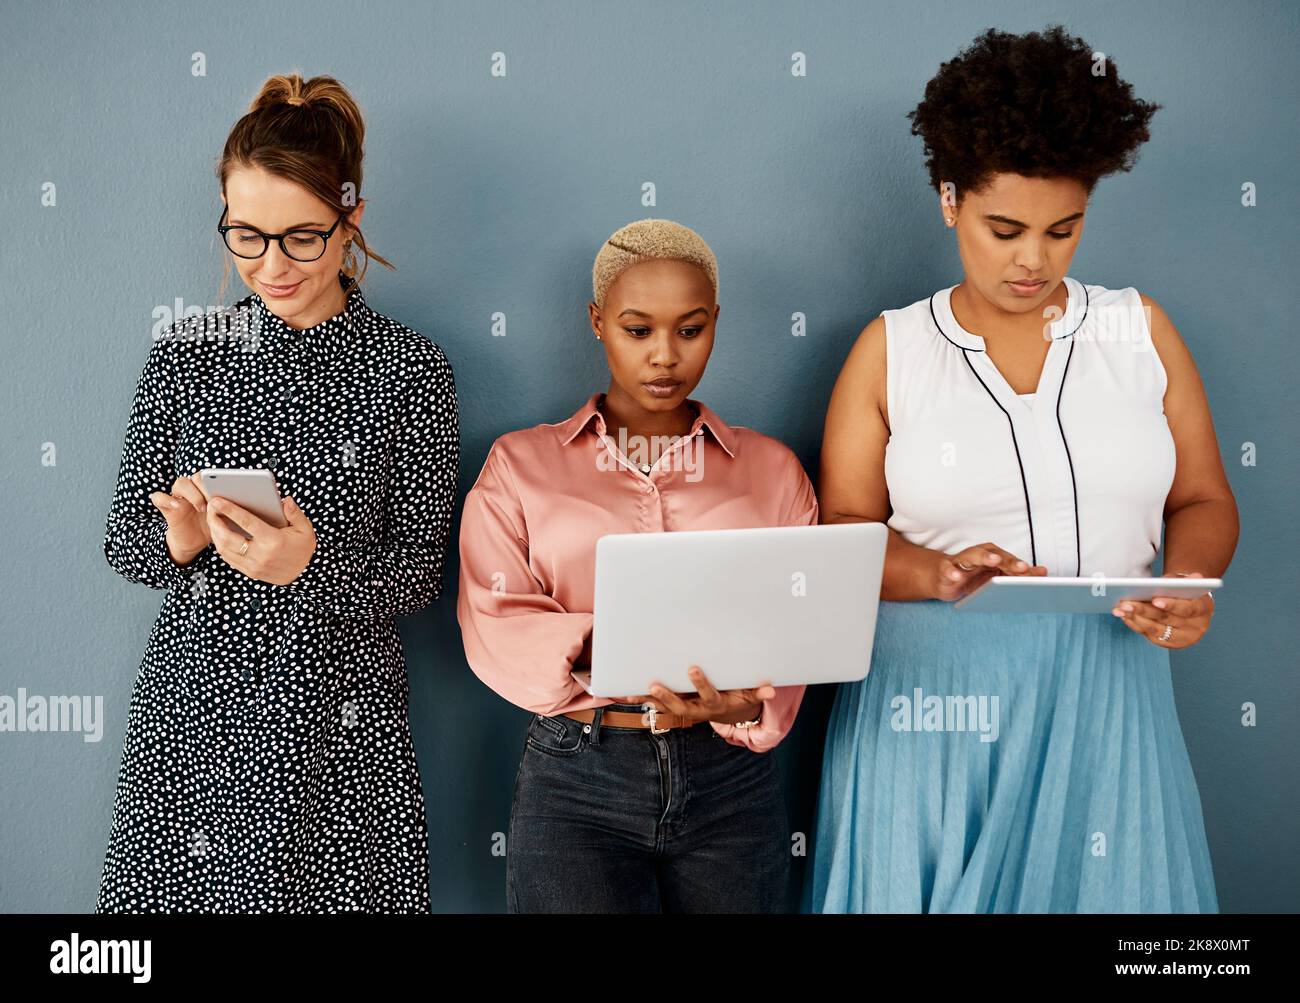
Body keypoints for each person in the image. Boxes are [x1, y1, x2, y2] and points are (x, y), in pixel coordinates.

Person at [811, 26, 1238, 913]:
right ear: (948, 199)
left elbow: (1201, 494)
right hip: (929, 704)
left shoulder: (1139, 330)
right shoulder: (891, 350)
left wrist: (1191, 581)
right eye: (1003, 228)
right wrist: (937, 570)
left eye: (1063, 229)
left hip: (1110, 683)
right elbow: (842, 531)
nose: (1033, 260)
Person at [96, 73, 459, 912]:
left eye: (302, 236)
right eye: (246, 236)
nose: (270, 265)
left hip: (341, 725)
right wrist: (179, 539)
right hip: (199, 715)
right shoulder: (185, 355)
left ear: (351, 217)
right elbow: (124, 542)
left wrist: (311, 562)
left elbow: (416, 575)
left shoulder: (411, 371)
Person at [457, 218, 818, 913]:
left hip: (731, 777)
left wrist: (749, 702)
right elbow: (490, 620)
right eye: (637, 328)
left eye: (689, 329)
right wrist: (622, 639)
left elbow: (797, 627)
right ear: (597, 321)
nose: (665, 356)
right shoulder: (520, 465)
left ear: (715, 322)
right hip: (578, 774)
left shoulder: (771, 471)